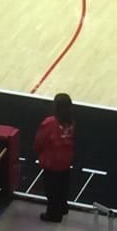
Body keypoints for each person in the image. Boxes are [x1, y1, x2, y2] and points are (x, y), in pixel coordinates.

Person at [34, 93, 76, 222]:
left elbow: (39, 140)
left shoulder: (50, 122)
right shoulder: (71, 122)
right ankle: (63, 207)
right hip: (66, 160)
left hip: (52, 161)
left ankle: (53, 215)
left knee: (51, 190)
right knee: (63, 186)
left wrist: (39, 153)